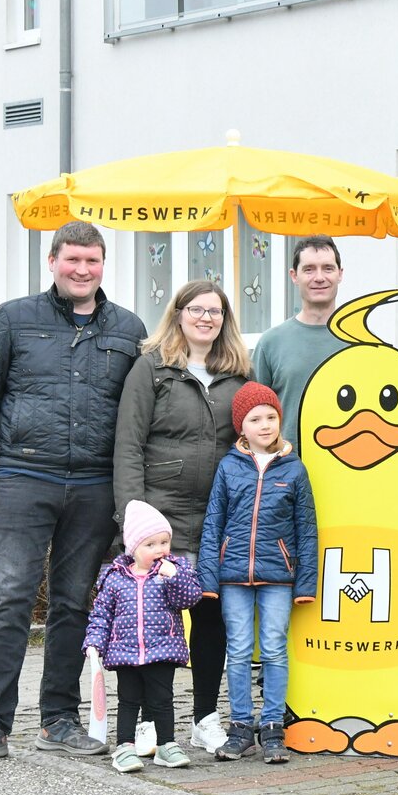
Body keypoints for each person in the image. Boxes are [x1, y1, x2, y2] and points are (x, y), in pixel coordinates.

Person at [0, 221, 148, 763]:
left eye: (93, 261)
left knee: (72, 604)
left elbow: (140, 417)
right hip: (22, 477)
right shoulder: (13, 319)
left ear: (104, 265)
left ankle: (59, 719)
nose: (82, 270)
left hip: (94, 485)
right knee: (9, 598)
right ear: (52, 261)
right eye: (73, 259)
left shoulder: (129, 329)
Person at [112, 278, 249, 753]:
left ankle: (206, 716)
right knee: (157, 621)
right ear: (179, 314)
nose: (206, 318)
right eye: (197, 309)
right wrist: (133, 517)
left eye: (215, 311)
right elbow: (128, 444)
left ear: (224, 320)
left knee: (211, 619)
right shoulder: (151, 369)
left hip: (216, 518)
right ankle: (152, 720)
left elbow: (251, 443)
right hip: (160, 520)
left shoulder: (238, 376)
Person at [201, 383, 318, 766]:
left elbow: (307, 529)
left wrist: (305, 582)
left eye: (271, 417)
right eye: (255, 419)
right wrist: (208, 577)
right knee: (237, 649)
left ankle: (271, 729)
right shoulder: (228, 467)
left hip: (278, 578)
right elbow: (213, 522)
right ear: (242, 428)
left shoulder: (295, 469)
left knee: (273, 648)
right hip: (232, 575)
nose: (265, 425)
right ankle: (239, 728)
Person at [83, 500, 203, 773]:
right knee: (128, 700)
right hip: (124, 653)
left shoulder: (175, 569)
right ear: (133, 548)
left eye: (164, 542)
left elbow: (190, 598)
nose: (160, 550)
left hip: (163, 649)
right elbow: (101, 614)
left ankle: (167, 745)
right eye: (150, 545)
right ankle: (124, 747)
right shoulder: (115, 578)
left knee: (162, 699)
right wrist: (93, 643)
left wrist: (174, 578)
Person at [251, 235, 346, 442]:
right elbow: (253, 414)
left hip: (348, 467)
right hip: (285, 468)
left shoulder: (362, 344)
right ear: (294, 276)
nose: (319, 277)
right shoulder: (271, 343)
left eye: (328, 268)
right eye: (309, 269)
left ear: (340, 274)